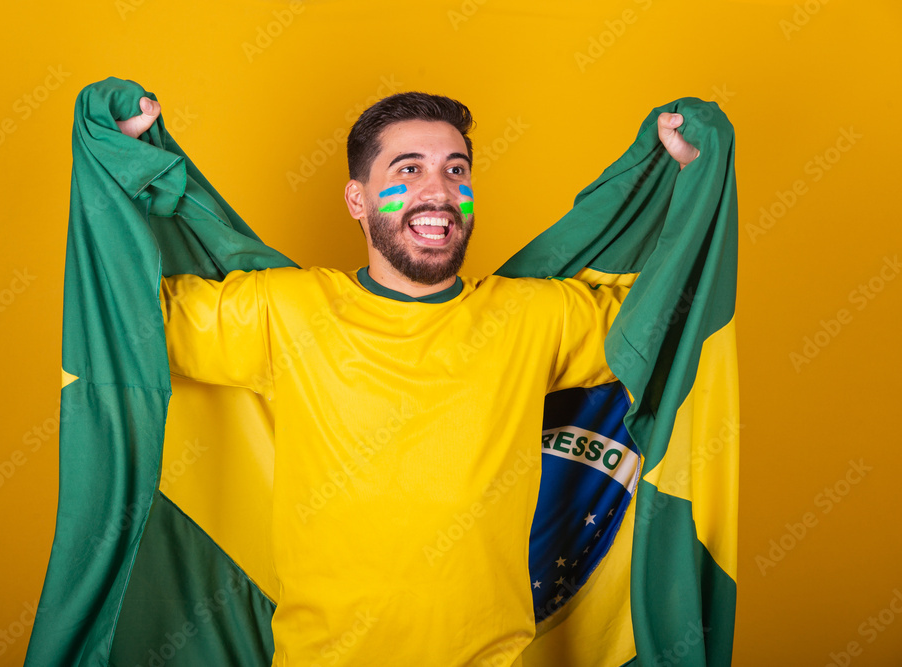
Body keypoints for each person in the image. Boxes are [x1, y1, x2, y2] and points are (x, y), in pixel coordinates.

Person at [113, 92, 700, 666]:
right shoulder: (283, 310)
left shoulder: (538, 316)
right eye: (409, 169)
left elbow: (663, 316)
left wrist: (683, 178)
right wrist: (114, 163)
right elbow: (121, 310)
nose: (438, 191)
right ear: (357, 199)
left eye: (456, 171)